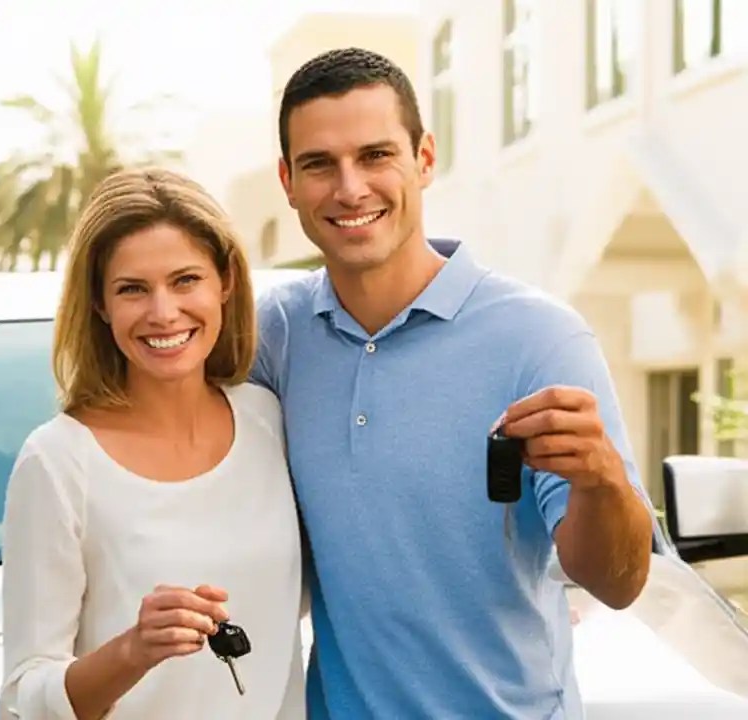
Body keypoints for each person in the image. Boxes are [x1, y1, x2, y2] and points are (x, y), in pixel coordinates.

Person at [250, 48, 659, 719]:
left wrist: (603, 481)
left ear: (425, 158)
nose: (350, 188)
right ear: (287, 180)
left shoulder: (540, 337)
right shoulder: (273, 338)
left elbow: (620, 584)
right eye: (320, 163)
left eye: (376, 155)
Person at [0, 166, 307, 719]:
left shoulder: (270, 420)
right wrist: (133, 650)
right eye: (132, 289)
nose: (163, 313)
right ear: (99, 304)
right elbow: (25, 697)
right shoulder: (59, 462)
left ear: (225, 281)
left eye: (185, 280)